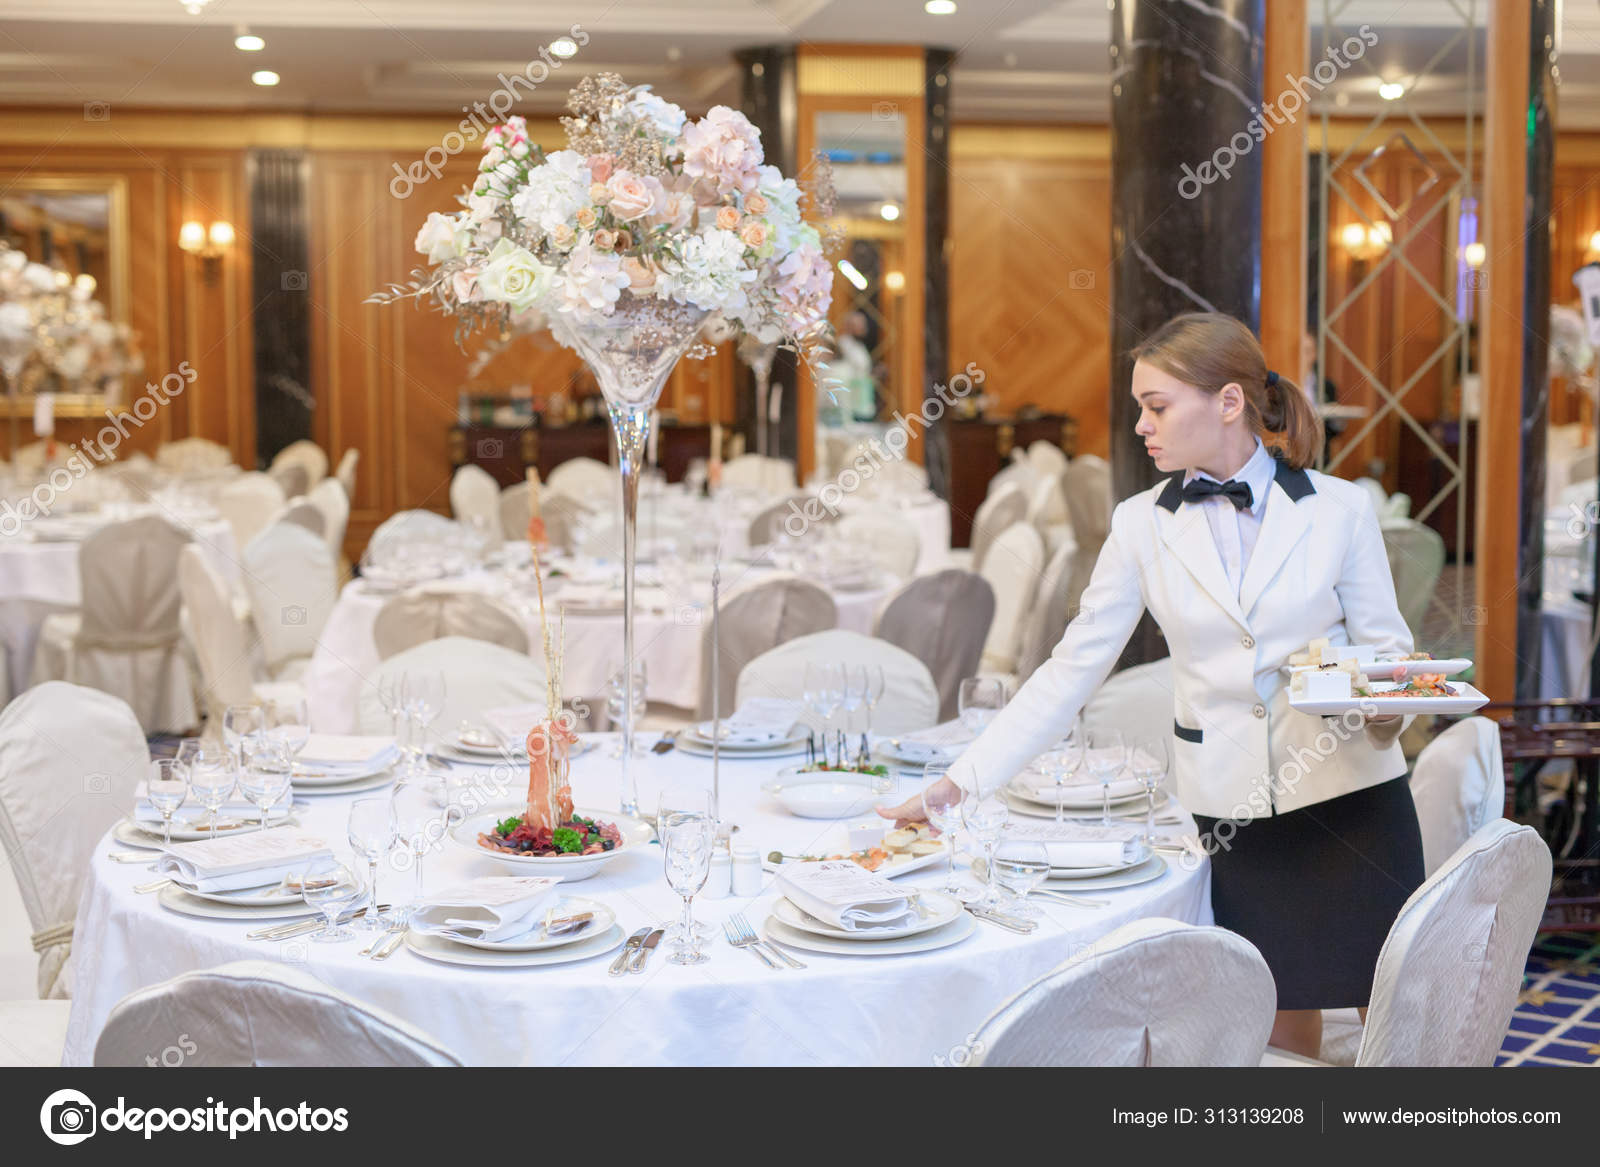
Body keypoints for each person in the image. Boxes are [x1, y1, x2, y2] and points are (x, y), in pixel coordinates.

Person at [880, 312, 1423, 1060]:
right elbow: (1070, 669)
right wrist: (958, 784)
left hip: (1356, 796)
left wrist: (1382, 711)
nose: (1139, 424)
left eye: (1156, 405)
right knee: (1282, 1033)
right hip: (1236, 814)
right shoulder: (1141, 525)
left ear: (1228, 402)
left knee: (1399, 1022)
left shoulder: (1340, 508)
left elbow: (1389, 650)